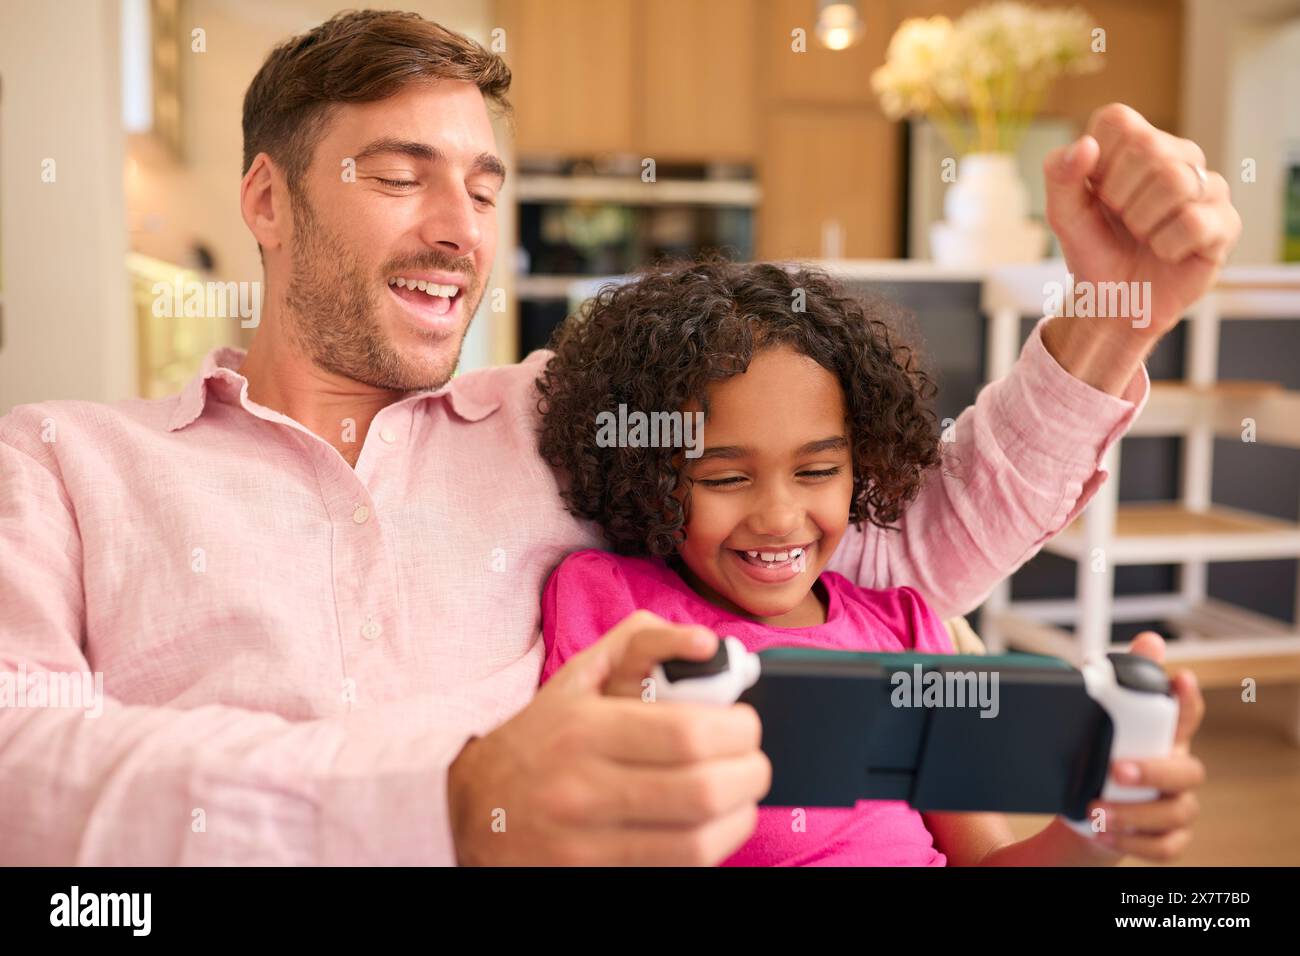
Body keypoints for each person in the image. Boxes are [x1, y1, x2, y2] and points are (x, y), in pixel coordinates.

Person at [0, 10, 1231, 865]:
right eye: (400, 175)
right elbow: (21, 764)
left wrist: (1115, 311)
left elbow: (886, 548)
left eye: (483, 187)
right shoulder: (64, 462)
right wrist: (444, 803)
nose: (458, 229)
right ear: (264, 199)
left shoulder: (564, 419)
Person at [536, 258, 1198, 866]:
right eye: (726, 478)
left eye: (818, 470)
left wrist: (1096, 828)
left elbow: (986, 855)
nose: (778, 517)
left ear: (863, 465)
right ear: (649, 474)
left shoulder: (907, 631)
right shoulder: (615, 607)